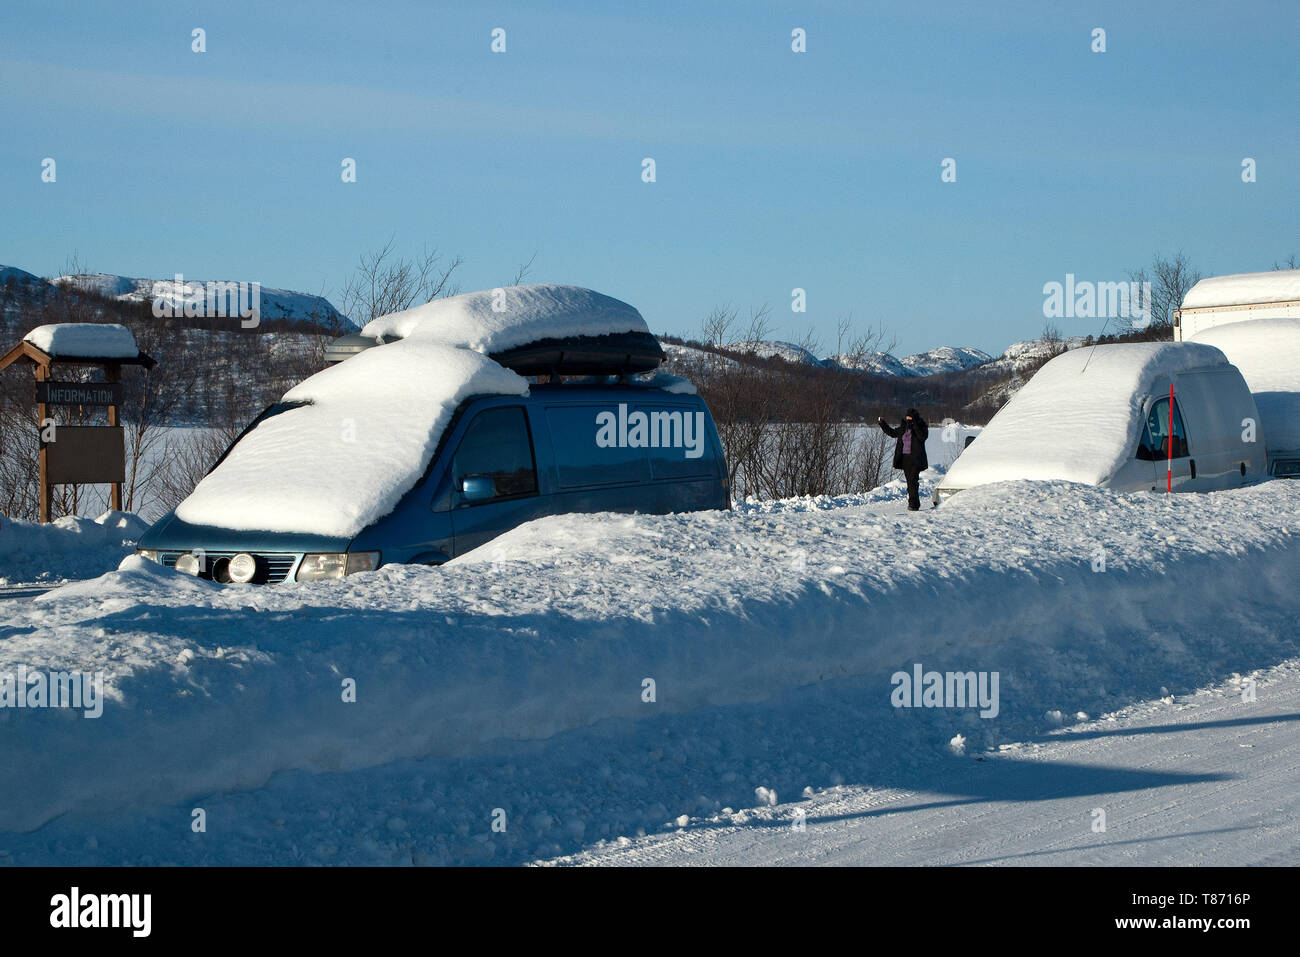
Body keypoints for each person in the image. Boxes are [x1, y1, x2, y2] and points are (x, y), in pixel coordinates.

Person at [879, 408, 929, 511]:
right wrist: (882, 423)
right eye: (907, 418)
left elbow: (922, 437)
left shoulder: (921, 426)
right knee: (910, 482)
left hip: (916, 459)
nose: (908, 420)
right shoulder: (904, 428)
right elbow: (892, 433)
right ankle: (914, 502)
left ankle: (913, 504)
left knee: (913, 481)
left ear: (914, 418)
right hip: (905, 459)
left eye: (910, 418)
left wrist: (915, 425)